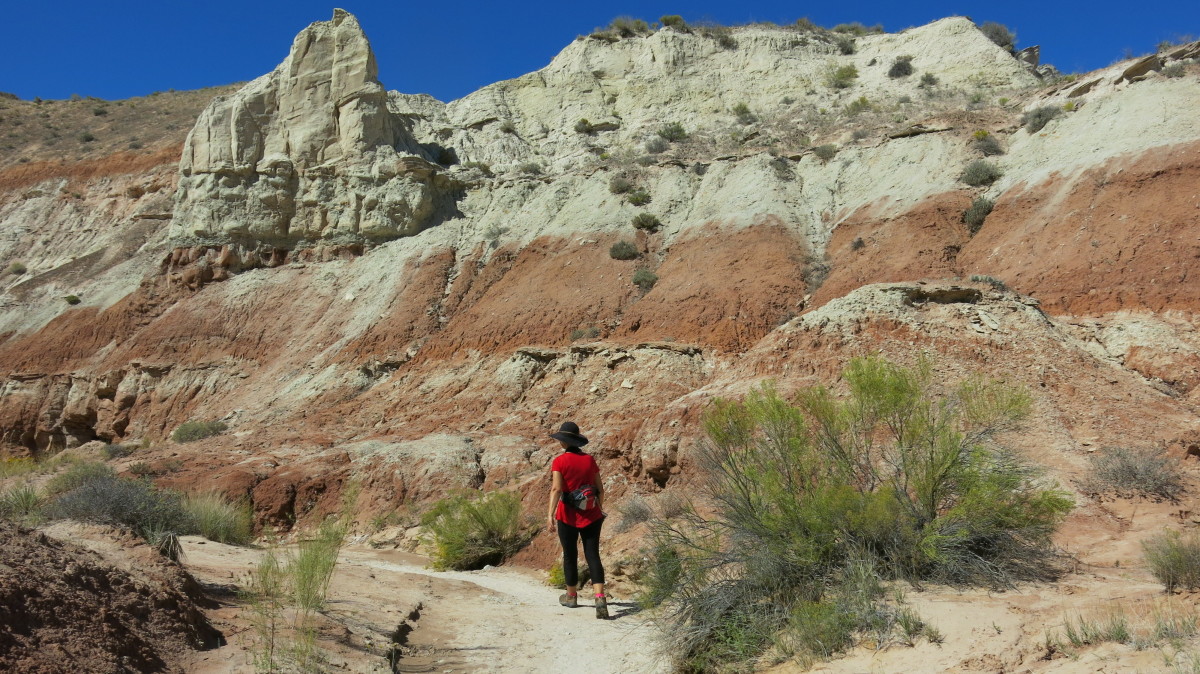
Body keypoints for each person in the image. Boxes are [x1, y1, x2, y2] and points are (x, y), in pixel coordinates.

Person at [546, 421, 608, 619]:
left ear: (563, 442)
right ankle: (600, 597)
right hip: (592, 514)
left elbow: (556, 489)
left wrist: (550, 514)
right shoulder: (590, 460)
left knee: (570, 555)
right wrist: (599, 508)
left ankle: (571, 596)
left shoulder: (559, 461)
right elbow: (600, 489)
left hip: (567, 515)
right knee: (593, 555)